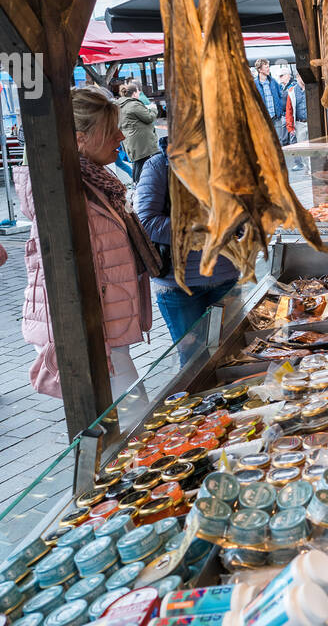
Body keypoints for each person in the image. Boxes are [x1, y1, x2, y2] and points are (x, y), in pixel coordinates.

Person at [15, 87, 158, 400]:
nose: (121, 137)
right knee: (133, 416)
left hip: (106, 332)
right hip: (93, 338)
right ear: (79, 139)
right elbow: (58, 282)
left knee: (128, 417)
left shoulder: (96, 183)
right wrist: (94, 347)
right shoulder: (65, 196)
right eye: (110, 131)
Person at [135, 137, 240, 359]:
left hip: (226, 275)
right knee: (194, 362)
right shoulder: (159, 166)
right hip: (179, 287)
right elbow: (147, 223)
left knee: (232, 354)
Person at [117, 80, 159, 184]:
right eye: (138, 92)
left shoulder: (121, 104)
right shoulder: (133, 105)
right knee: (142, 165)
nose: (139, 94)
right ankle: (141, 187)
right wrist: (154, 109)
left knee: (138, 164)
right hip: (141, 142)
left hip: (131, 140)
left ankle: (137, 185)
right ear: (134, 93)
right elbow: (149, 118)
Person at [252, 58, 287, 143]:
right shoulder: (254, 84)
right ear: (260, 69)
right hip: (263, 119)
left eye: (268, 66)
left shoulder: (273, 81)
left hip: (276, 118)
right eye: (266, 67)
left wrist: (281, 111)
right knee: (266, 142)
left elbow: (281, 96)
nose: (268, 69)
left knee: (279, 142)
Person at [286, 68, 307, 172]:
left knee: (315, 148)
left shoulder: (311, 88)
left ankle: (313, 169)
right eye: (302, 76)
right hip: (300, 123)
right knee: (303, 148)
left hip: (312, 122)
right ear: (298, 77)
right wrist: (290, 127)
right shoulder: (292, 91)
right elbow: (289, 110)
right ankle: (308, 168)